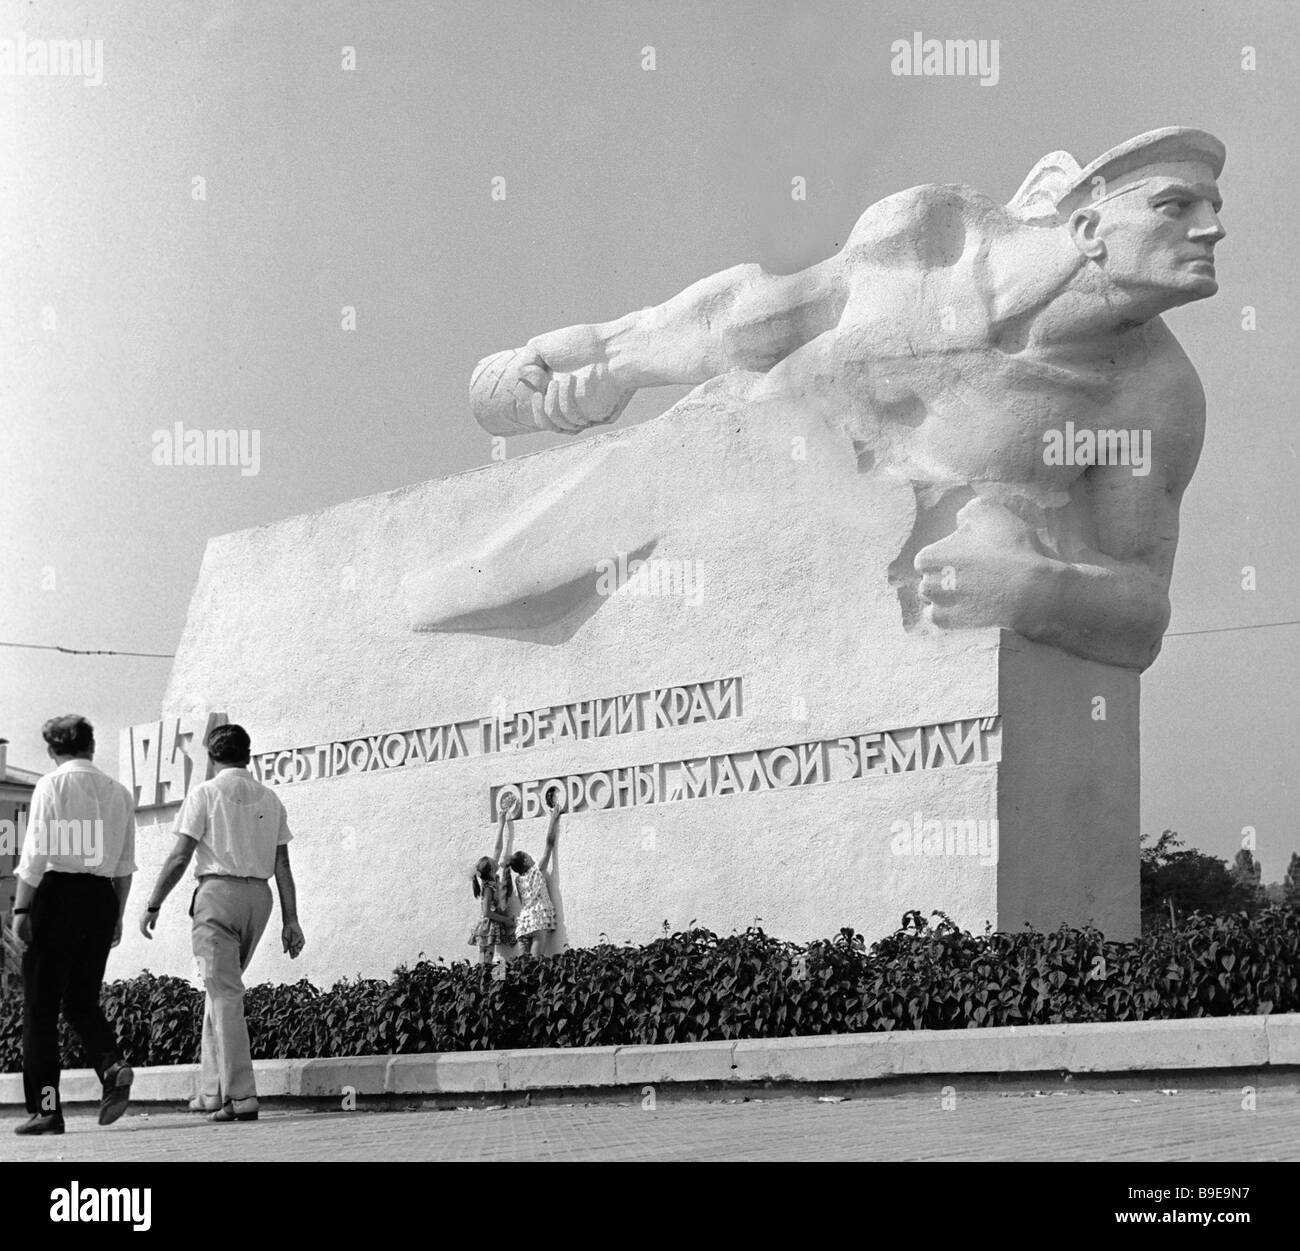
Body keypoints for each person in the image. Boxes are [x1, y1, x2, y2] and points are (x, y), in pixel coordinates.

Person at [139, 722, 305, 1123]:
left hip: (217, 895)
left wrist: (153, 903)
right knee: (221, 991)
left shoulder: (205, 793)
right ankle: (212, 1092)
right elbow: (282, 864)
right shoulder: (270, 797)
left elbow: (181, 856)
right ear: (247, 755)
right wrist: (291, 920)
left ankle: (242, 1097)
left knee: (225, 994)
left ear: (212, 758)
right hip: (259, 899)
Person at [9, 714, 136, 1136]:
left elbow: (35, 854)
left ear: (51, 751)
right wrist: (116, 915)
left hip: (57, 896)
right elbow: (123, 866)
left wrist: (22, 910)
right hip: (101, 898)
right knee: (81, 1000)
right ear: (91, 747)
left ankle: (47, 1109)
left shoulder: (52, 785)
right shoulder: (118, 793)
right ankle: (111, 1064)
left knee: (40, 1010)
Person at [468, 791, 520, 965]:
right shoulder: (488, 888)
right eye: (493, 862)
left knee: (497, 960)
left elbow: (498, 849)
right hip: (487, 928)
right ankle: (485, 988)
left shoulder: (490, 879)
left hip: (494, 926)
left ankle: (497, 985)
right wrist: (506, 920)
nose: (496, 860)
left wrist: (501, 823)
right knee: (486, 963)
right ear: (490, 870)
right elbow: (486, 912)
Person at [508, 788, 561, 957]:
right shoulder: (536, 871)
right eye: (528, 856)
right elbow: (549, 844)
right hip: (538, 918)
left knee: (523, 964)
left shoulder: (518, 880)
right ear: (525, 861)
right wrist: (553, 819)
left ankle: (505, 980)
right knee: (536, 964)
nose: (531, 857)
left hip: (524, 922)